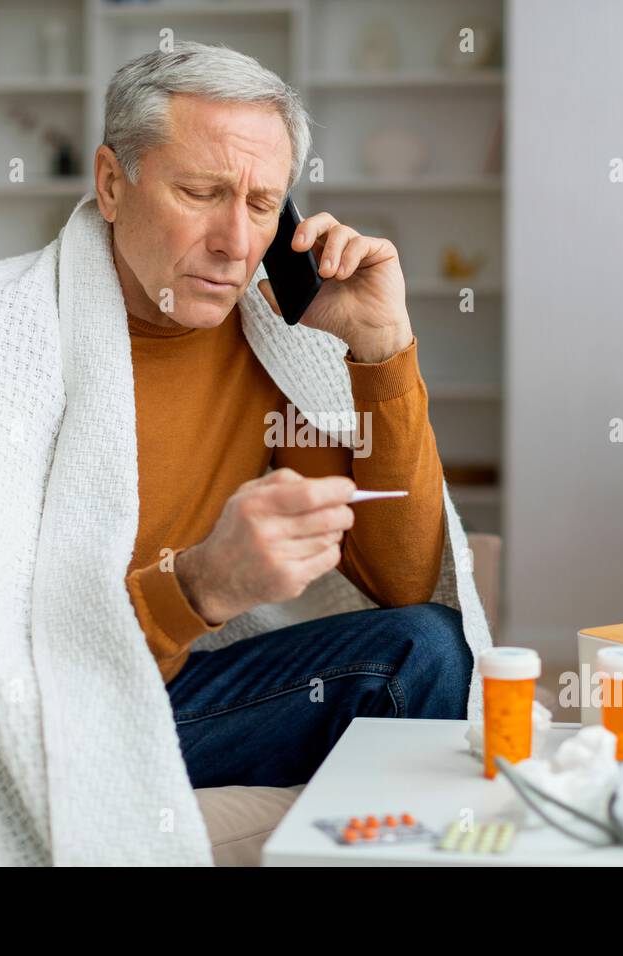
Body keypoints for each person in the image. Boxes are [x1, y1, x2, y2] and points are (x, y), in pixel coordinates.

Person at [95, 42, 472, 788]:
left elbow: (401, 583)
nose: (236, 243)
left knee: (428, 646)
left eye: (262, 204)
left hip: (182, 693)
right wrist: (199, 586)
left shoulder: (267, 340)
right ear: (112, 183)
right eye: (201, 192)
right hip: (52, 706)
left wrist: (382, 347)